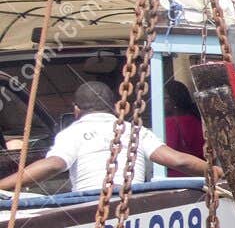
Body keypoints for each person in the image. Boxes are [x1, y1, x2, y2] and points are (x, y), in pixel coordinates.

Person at [0, 79, 209, 194]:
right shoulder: (136, 130)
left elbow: (53, 165)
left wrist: (1, 186)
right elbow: (179, 160)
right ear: (116, 107)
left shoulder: (72, 133)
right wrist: (217, 171)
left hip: (89, 208)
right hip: (134, 206)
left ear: (76, 110)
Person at [163, 78, 205, 159]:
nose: (161, 102)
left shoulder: (169, 123)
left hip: (179, 166)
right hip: (200, 165)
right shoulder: (196, 119)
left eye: (164, 98)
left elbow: (166, 153)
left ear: (174, 100)